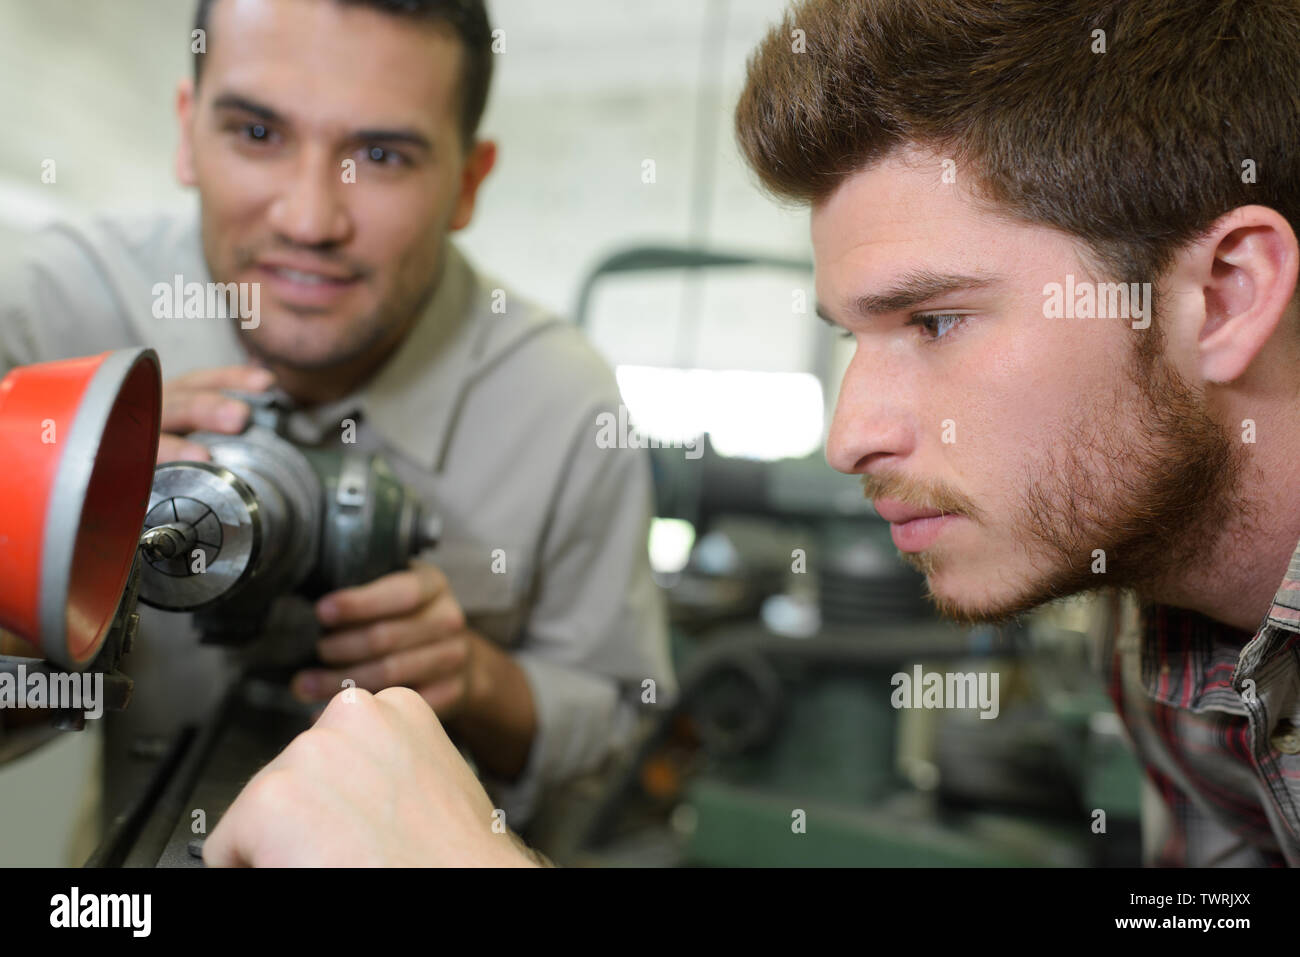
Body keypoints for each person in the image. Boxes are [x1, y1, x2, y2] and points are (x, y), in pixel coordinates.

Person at [211, 0, 1300, 867]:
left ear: (1224, 294)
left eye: (935, 320)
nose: (849, 437)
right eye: (852, 336)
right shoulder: (1161, 637)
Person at [0, 0, 673, 843]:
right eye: (257, 134)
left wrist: (478, 678)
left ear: (468, 181)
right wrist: (40, 489)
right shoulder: (54, 315)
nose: (310, 219)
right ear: (186, 129)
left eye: (381, 155)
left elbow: (629, 744)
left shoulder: (563, 408)